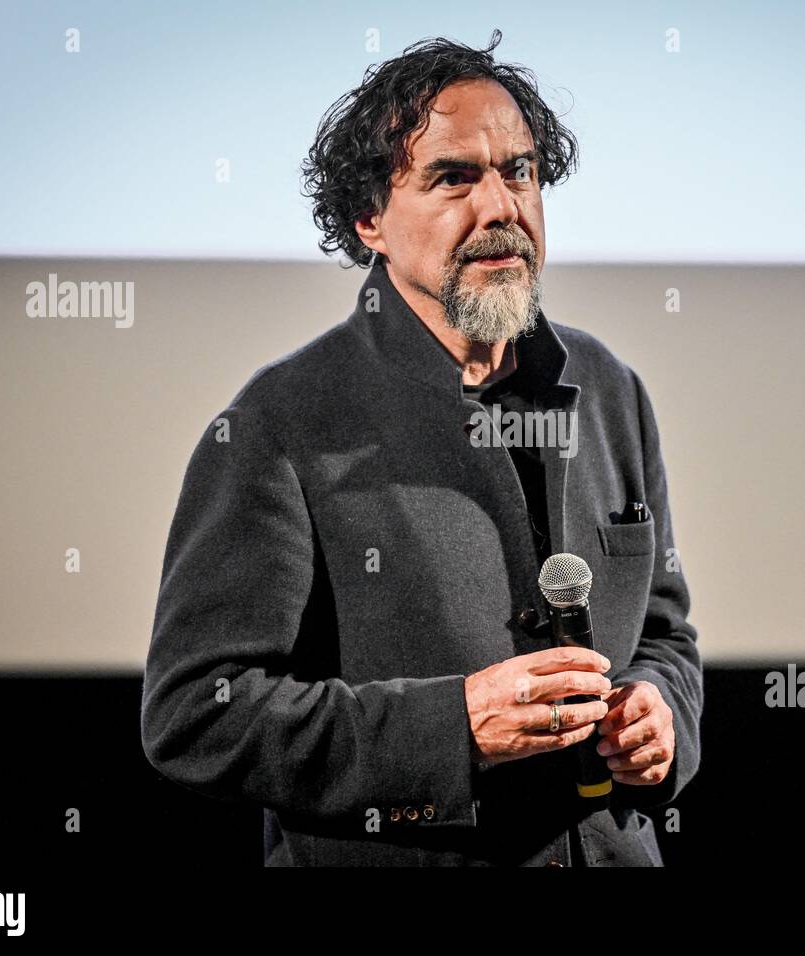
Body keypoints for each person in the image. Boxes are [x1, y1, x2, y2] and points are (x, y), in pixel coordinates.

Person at [141, 30, 702, 866]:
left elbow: (664, 635)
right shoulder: (279, 423)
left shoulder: (612, 388)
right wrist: (453, 728)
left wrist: (661, 714)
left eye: (520, 171)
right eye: (453, 178)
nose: (500, 208)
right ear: (370, 219)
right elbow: (197, 714)